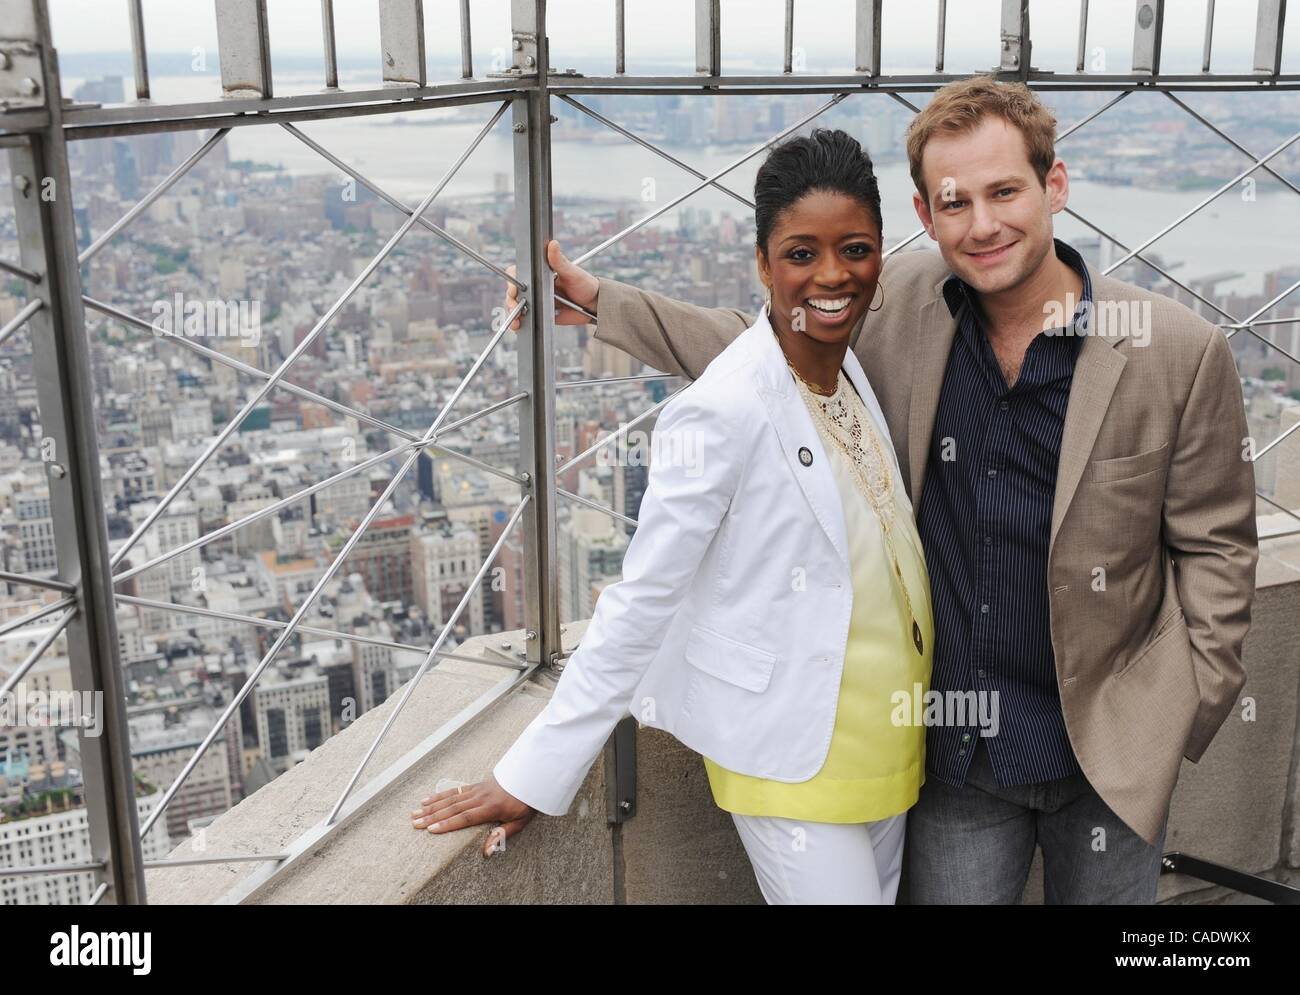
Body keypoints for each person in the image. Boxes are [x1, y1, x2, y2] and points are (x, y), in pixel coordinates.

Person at [489, 76, 1258, 904]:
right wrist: (605, 303)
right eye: (955, 202)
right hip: (957, 756)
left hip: (1113, 751)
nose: (984, 223)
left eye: (1007, 191)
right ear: (926, 217)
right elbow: (777, 344)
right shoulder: (908, 308)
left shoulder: (1175, 350)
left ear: (1056, 185)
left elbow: (1217, 545)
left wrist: (1184, 705)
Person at [410, 129, 934, 904]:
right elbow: (641, 600)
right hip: (791, 757)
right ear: (762, 263)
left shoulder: (849, 369)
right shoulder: (722, 410)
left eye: (854, 248)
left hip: (889, 747)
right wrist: (532, 771)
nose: (832, 274)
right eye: (800, 254)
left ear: (882, 250)